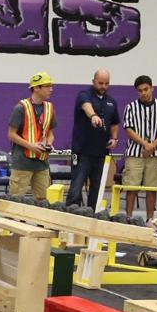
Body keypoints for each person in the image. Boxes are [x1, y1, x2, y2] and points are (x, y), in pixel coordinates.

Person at [67, 69, 120, 209]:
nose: (104, 86)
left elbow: (115, 123)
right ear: (93, 81)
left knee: (97, 189)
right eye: (100, 83)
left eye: (107, 83)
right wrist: (93, 116)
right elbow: (86, 106)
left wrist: (114, 138)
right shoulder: (84, 95)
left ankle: (92, 215)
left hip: (101, 153)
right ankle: (71, 214)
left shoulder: (111, 102)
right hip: (82, 152)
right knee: (76, 187)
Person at [122, 75, 157, 220]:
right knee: (131, 187)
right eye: (140, 90)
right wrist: (145, 144)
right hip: (135, 154)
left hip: (156, 154)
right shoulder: (131, 107)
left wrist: (153, 145)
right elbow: (128, 129)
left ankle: (150, 219)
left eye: (146, 89)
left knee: (152, 188)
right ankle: (129, 217)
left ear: (152, 88)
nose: (143, 93)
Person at [7, 72, 58, 199]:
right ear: (36, 88)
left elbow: (50, 134)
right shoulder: (20, 108)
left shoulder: (49, 108)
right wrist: (31, 146)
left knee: (43, 200)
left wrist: (49, 144)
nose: (51, 89)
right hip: (22, 163)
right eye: (47, 86)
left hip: (42, 163)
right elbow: (11, 134)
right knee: (16, 199)